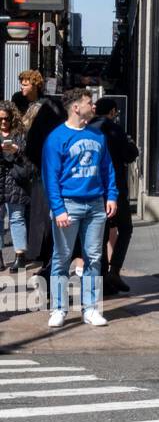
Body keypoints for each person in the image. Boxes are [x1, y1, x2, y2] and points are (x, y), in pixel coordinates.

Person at [42, 88, 117, 328]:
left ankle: (91, 308)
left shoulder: (98, 136)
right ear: (76, 107)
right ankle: (59, 308)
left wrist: (111, 196)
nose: (93, 106)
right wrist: (58, 208)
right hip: (69, 204)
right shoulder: (56, 138)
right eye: (88, 102)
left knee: (94, 257)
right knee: (61, 258)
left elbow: (107, 169)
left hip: (95, 203)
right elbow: (50, 177)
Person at [89, 99, 140, 295]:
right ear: (112, 111)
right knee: (125, 228)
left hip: (93, 189)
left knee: (99, 234)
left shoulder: (87, 129)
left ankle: (102, 276)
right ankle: (114, 271)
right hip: (115, 188)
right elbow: (130, 154)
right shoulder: (115, 129)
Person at [20, 71, 67, 280]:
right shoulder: (59, 122)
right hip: (48, 173)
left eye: (26, 84)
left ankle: (48, 265)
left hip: (41, 173)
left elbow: (32, 145)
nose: (23, 87)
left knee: (44, 219)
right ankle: (50, 264)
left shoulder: (44, 111)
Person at [0, 101, 34, 273]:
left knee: (16, 218)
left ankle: (20, 256)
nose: (3, 122)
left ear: (12, 118)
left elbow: (29, 161)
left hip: (16, 181)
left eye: (6, 119)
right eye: (0, 119)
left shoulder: (20, 134)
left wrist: (17, 151)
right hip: (0, 179)